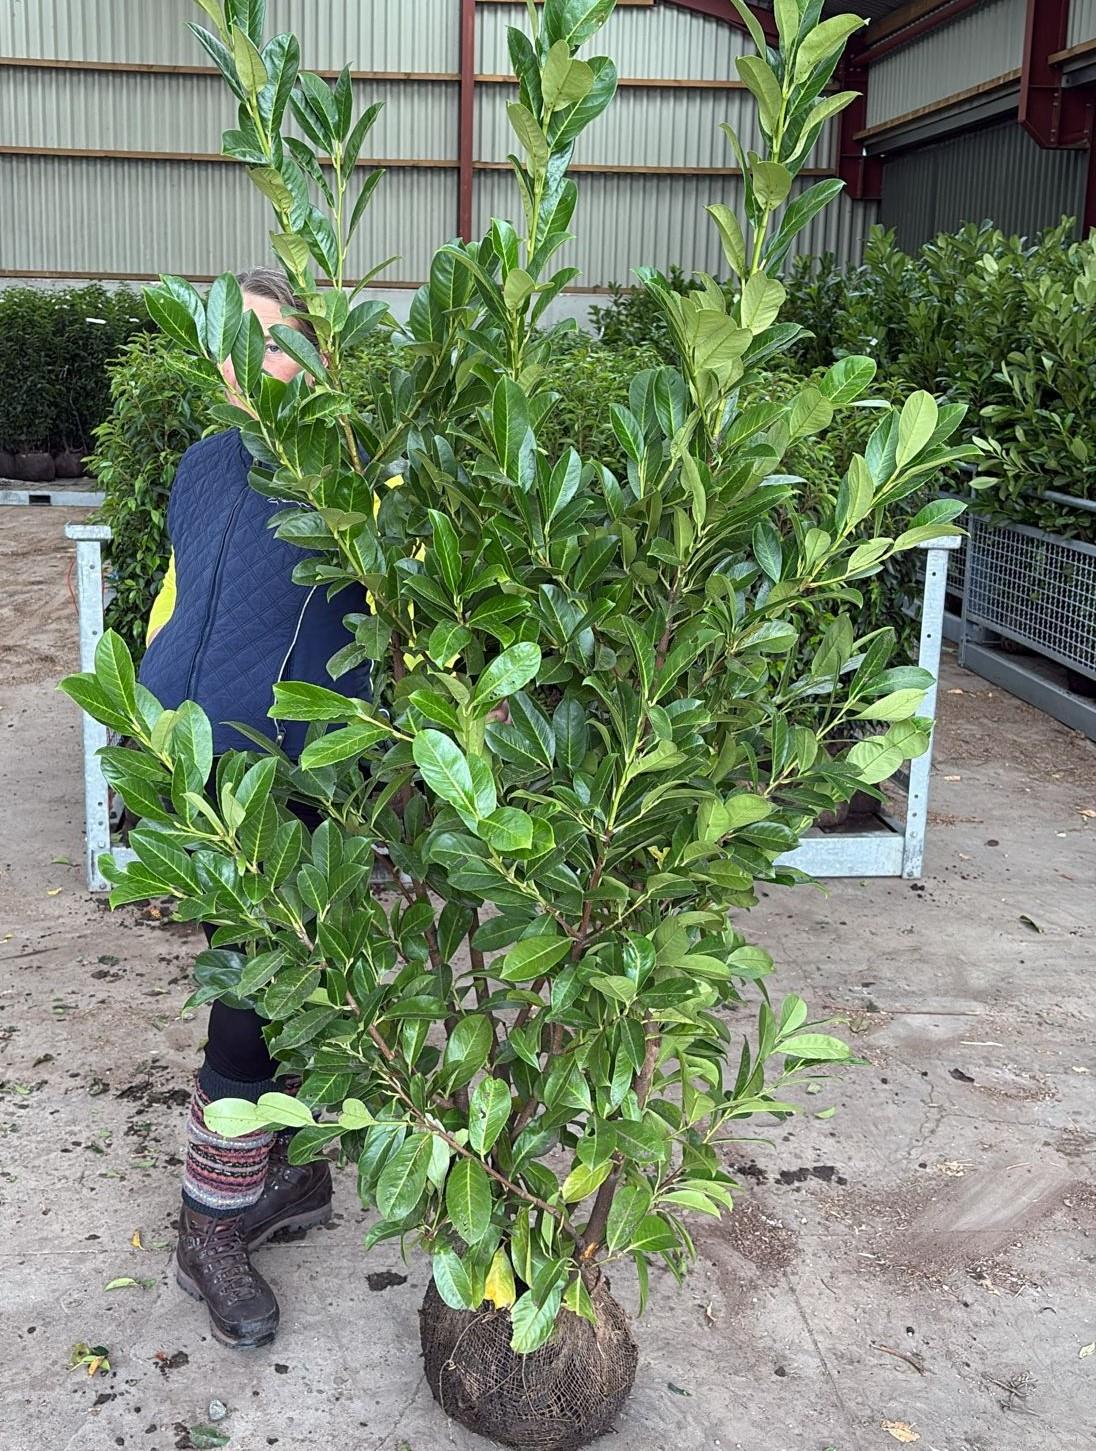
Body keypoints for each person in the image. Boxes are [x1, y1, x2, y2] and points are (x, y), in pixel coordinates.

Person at [138, 268, 372, 1349]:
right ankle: (211, 1219)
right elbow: (176, 600)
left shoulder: (364, 471)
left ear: (318, 355)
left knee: (295, 988)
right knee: (246, 994)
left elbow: (409, 625)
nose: (246, 360)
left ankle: (265, 1175)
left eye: (272, 341)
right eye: (229, 341)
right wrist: (144, 729)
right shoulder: (201, 463)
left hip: (311, 778)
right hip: (207, 781)